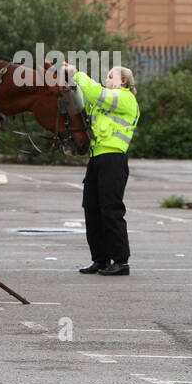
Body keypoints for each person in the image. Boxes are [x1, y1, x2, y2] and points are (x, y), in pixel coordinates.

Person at [61, 63, 140, 277]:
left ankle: (121, 261)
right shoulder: (104, 100)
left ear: (123, 81)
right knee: (92, 208)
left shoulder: (124, 99)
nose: (107, 79)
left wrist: (77, 73)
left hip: (113, 159)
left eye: (110, 76)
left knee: (111, 209)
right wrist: (70, 81)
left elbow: (95, 93)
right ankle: (101, 259)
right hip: (97, 159)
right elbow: (81, 101)